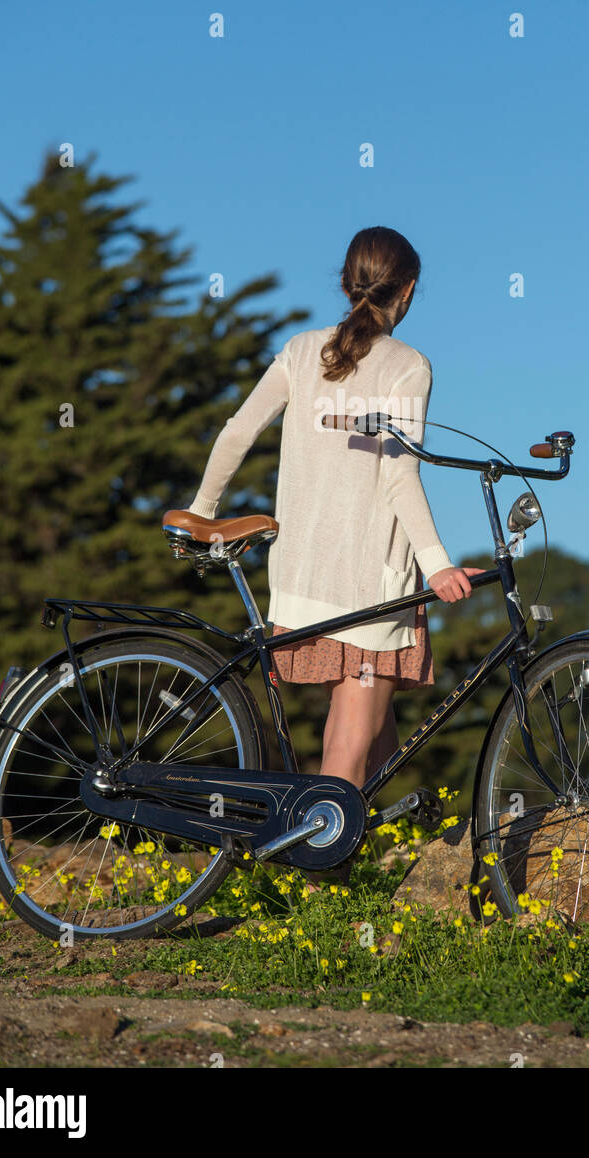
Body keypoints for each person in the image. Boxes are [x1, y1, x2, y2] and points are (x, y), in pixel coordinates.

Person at [185, 225, 482, 794]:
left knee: (373, 729)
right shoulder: (407, 365)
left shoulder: (301, 351)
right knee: (348, 747)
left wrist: (203, 510)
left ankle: (380, 843)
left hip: (300, 575)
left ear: (347, 284)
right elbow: (400, 474)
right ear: (409, 290)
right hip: (369, 580)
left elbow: (237, 430)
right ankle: (324, 870)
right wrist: (438, 562)